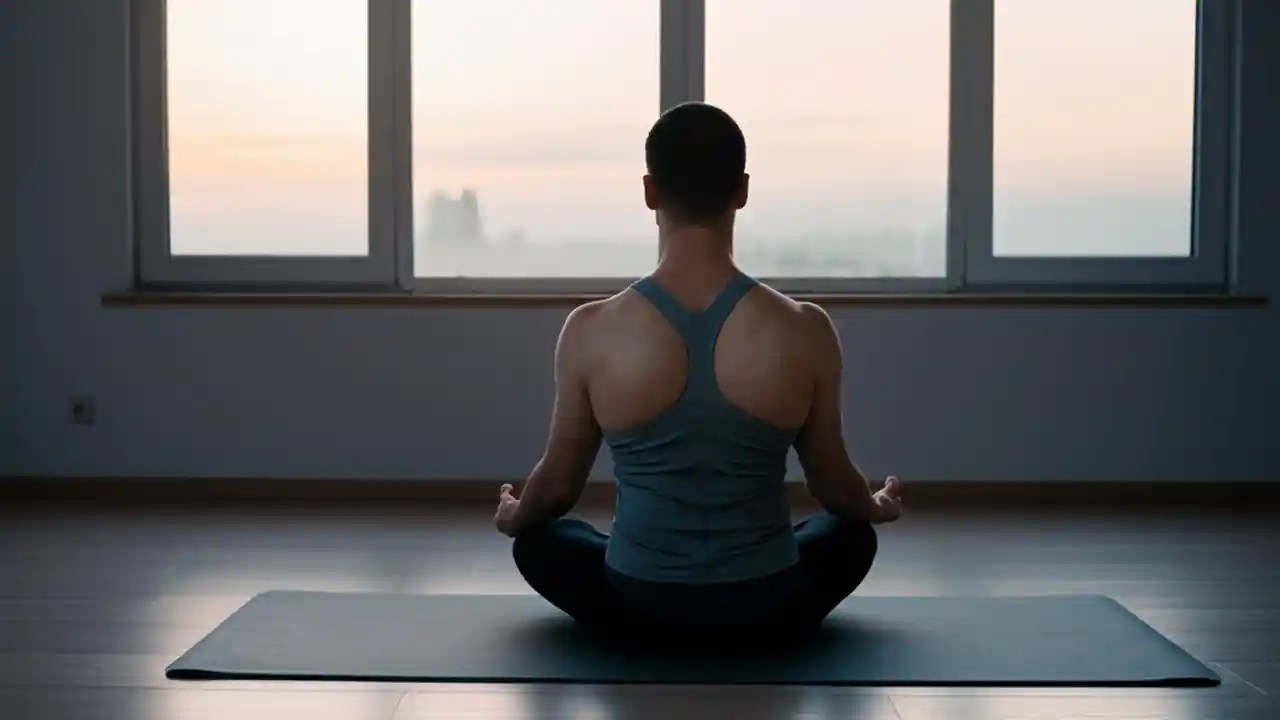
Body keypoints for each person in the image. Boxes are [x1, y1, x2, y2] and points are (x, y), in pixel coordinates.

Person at [493, 102, 903, 646]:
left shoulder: (591, 328)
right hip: (770, 600)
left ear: (649, 192)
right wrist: (874, 505)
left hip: (637, 600)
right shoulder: (806, 328)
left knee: (539, 541)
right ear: (742, 190)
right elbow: (833, 484)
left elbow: (559, 485)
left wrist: (515, 514)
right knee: (853, 535)